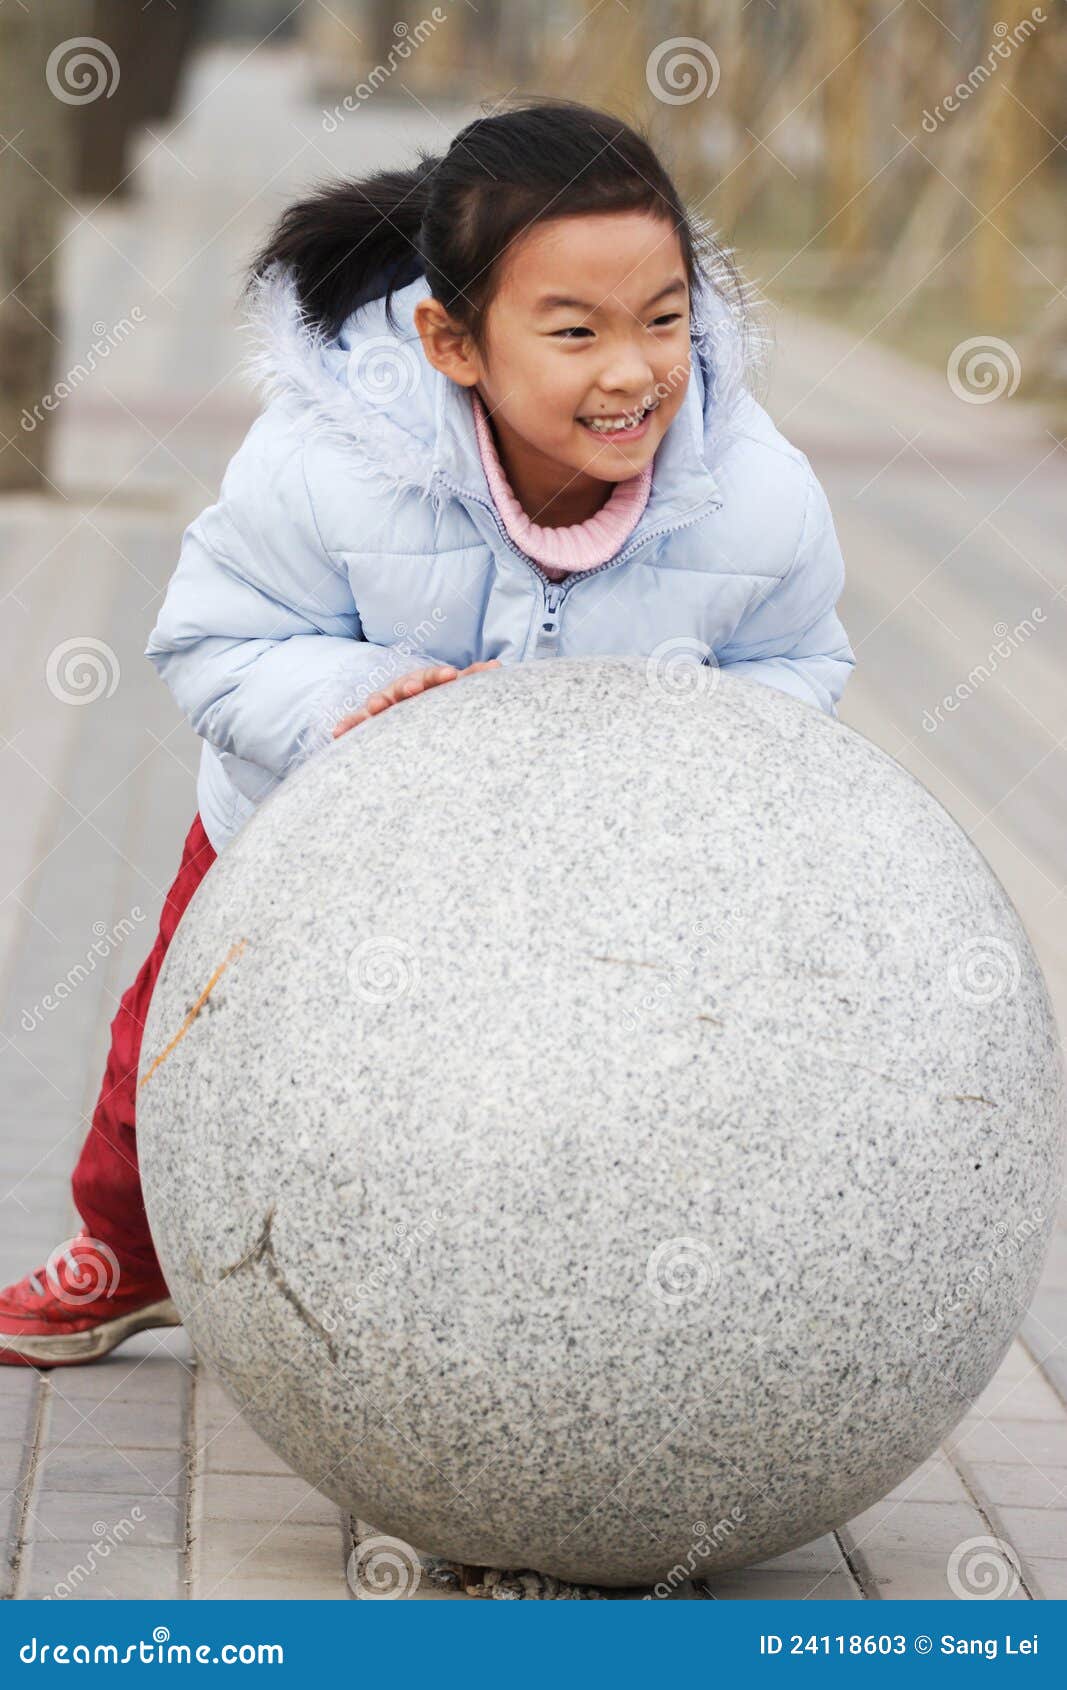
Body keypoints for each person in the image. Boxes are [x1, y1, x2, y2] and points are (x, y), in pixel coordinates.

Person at [0, 97, 854, 1367]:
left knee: (565, 1101)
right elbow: (216, 640)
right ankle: (126, 1247)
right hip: (307, 838)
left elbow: (798, 660)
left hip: (590, 879)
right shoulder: (328, 463)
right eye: (575, 332)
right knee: (174, 1053)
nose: (633, 371)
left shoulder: (752, 493)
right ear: (453, 342)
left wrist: (696, 748)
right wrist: (349, 702)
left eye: (664, 320)